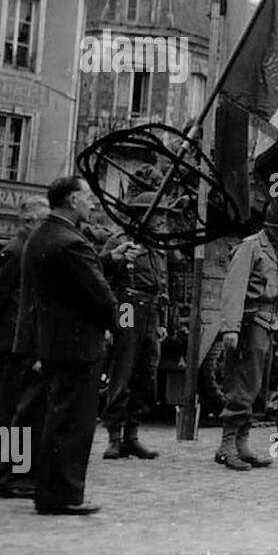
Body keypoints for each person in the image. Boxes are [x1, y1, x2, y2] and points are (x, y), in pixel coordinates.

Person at [13, 176, 119, 515]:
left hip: (53, 342)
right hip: (79, 345)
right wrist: (118, 324)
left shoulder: (44, 235)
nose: (93, 203)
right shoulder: (72, 242)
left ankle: (49, 491)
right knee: (74, 423)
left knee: (56, 419)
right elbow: (100, 295)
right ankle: (63, 495)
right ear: (72, 200)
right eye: (88, 197)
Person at [213, 208, 278, 471]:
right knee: (241, 385)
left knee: (256, 386)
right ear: (277, 225)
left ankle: (242, 444)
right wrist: (231, 328)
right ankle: (227, 446)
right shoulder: (251, 247)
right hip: (250, 323)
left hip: (268, 324)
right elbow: (234, 288)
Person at [0, 196, 48, 489]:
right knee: (14, 407)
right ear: (28, 221)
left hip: (13, 339)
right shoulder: (17, 251)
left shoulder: (25, 249)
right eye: (43, 220)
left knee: (12, 406)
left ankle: (1, 466)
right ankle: (10, 472)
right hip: (11, 342)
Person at [98, 193, 170, 461]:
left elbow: (162, 285)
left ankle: (133, 435)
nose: (163, 220)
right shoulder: (121, 242)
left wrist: (161, 321)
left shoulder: (157, 247)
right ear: (144, 215)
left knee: (146, 374)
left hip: (151, 310)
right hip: (127, 306)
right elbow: (101, 274)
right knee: (123, 368)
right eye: (158, 214)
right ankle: (115, 437)